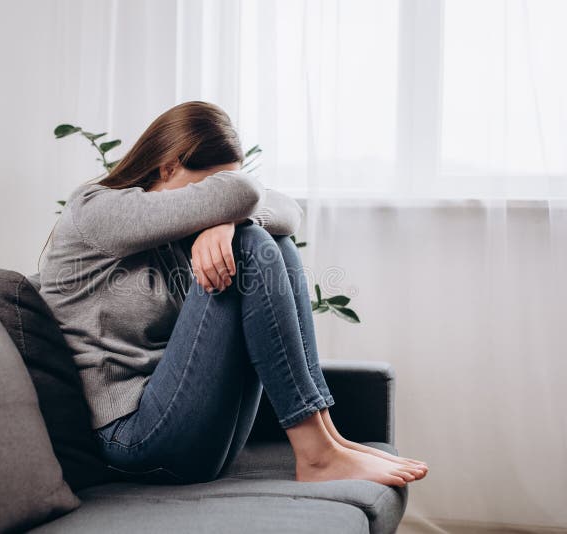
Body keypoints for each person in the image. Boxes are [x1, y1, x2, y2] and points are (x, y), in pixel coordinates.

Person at [39, 101, 428, 486]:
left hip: (191, 430)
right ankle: (317, 455)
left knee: (270, 240)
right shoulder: (96, 210)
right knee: (251, 243)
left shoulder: (177, 228)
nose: (213, 202)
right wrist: (230, 215)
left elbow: (288, 212)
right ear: (169, 167)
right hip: (132, 438)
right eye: (212, 185)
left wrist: (227, 222)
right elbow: (241, 193)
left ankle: (327, 438)